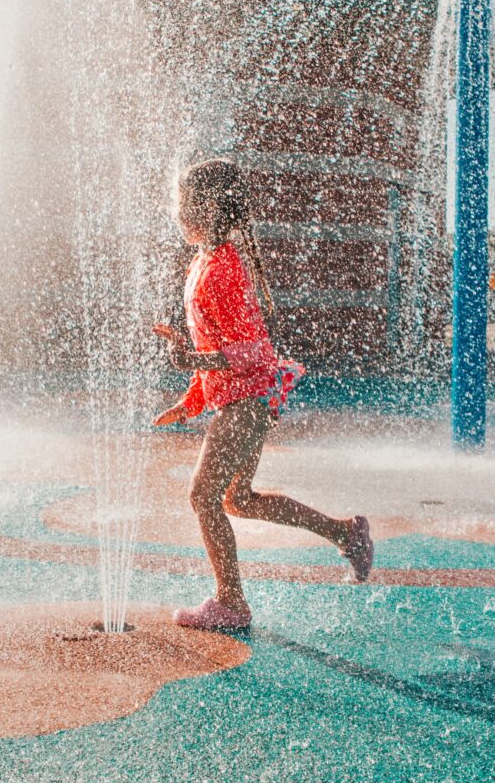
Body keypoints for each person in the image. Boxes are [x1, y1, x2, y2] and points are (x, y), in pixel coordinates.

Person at [152, 157, 373, 631]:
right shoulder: (204, 262)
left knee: (203, 497)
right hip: (245, 398)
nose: (177, 213)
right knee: (239, 500)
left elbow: (253, 349)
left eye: (183, 204)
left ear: (207, 208)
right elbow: (216, 342)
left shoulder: (224, 268)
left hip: (248, 400)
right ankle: (346, 534)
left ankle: (231, 602)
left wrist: (195, 363)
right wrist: (190, 399)